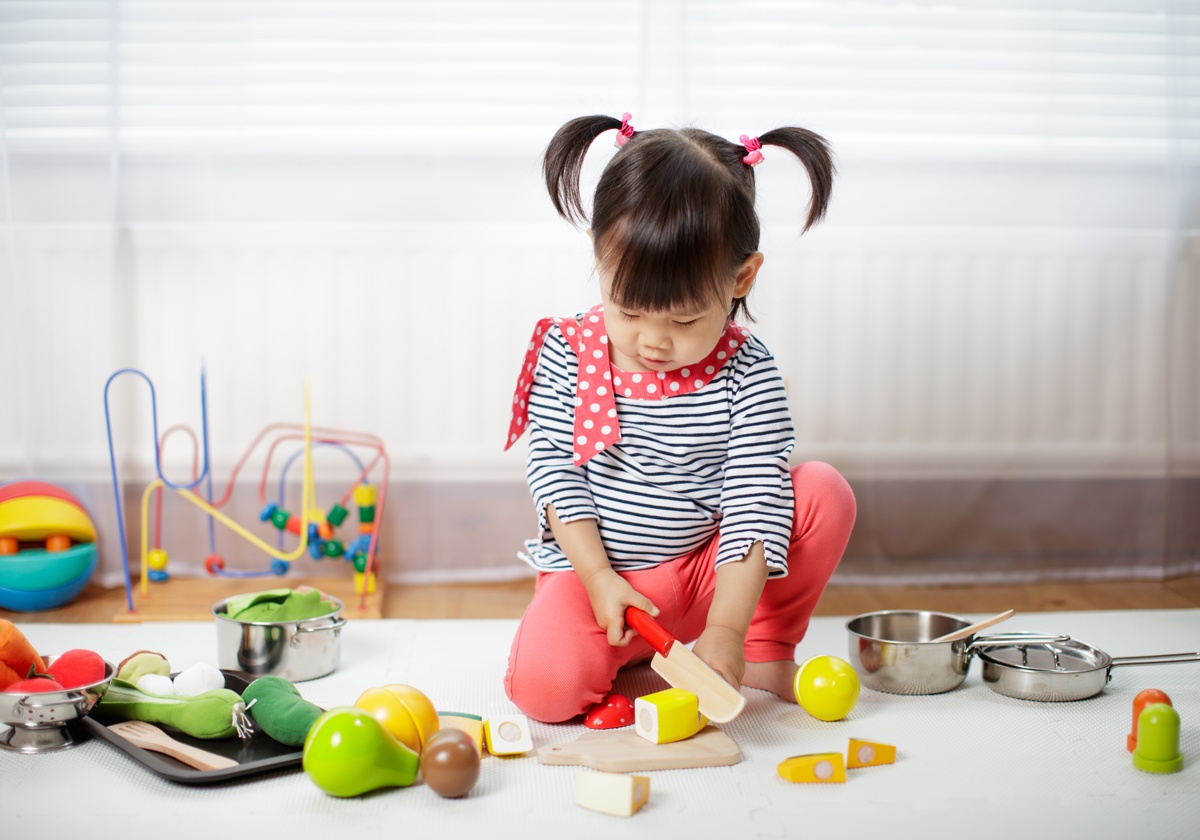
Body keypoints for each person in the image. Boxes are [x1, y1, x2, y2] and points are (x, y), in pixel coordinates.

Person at [502, 112, 857, 723]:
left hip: (706, 574)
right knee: (544, 693)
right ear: (600, 257)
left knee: (821, 491)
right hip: (601, 577)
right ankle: (635, 657)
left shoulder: (747, 368)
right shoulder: (569, 350)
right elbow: (556, 472)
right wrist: (596, 578)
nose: (653, 341)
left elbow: (754, 493)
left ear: (741, 277)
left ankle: (759, 649)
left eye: (684, 320)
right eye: (630, 310)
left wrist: (724, 626)